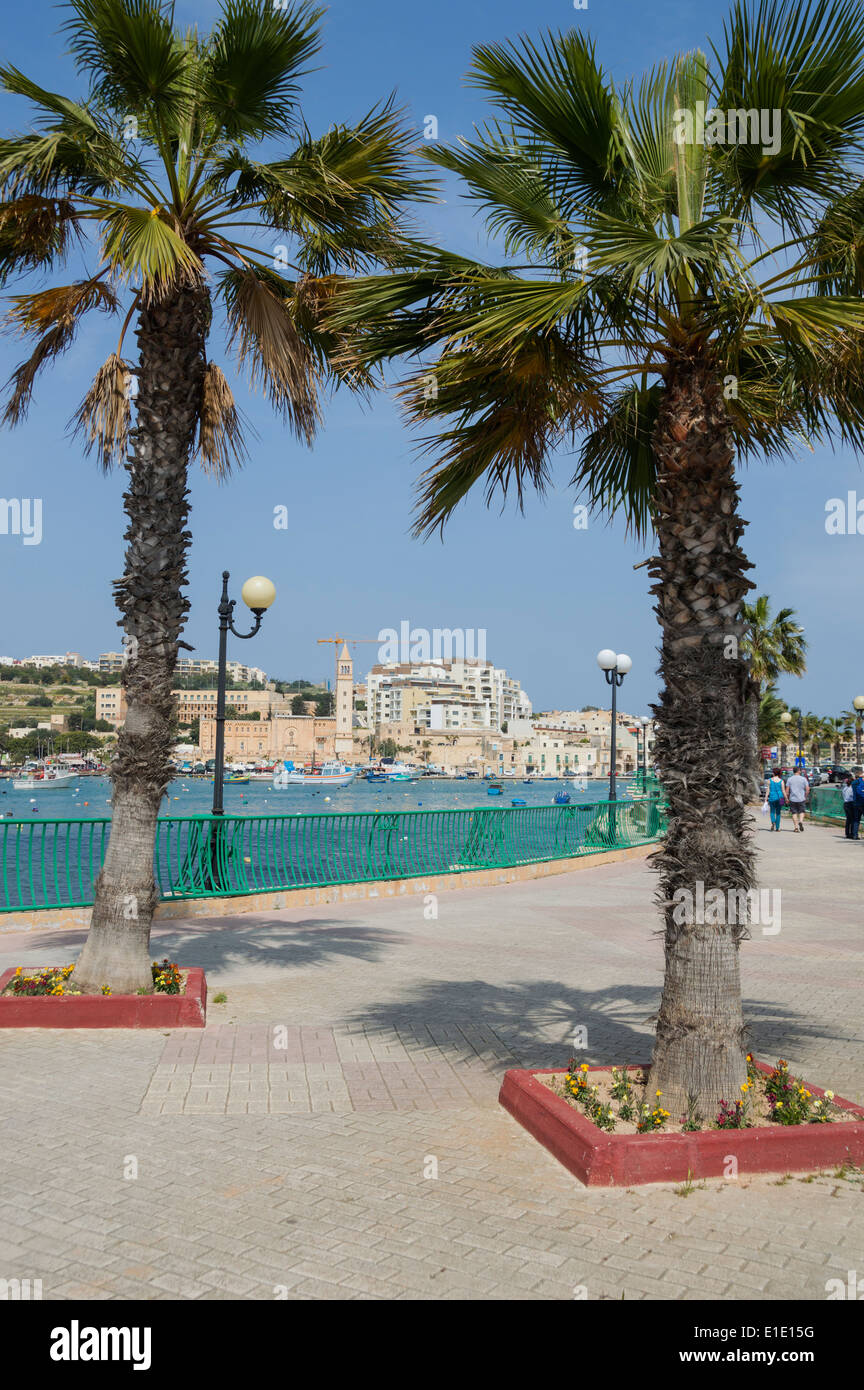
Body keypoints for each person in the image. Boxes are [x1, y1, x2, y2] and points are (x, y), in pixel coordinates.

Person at [785, 766, 809, 832]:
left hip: (792, 799)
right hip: (801, 798)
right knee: (802, 811)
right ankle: (800, 821)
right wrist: (805, 797)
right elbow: (807, 790)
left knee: (794, 813)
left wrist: (786, 798)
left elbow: (787, 790)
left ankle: (796, 827)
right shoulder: (804, 779)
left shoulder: (789, 779)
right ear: (799, 771)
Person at [842, 774, 859, 840]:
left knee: (848, 819)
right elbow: (853, 796)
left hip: (845, 803)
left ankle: (847, 833)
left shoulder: (845, 788)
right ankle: (852, 833)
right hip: (851, 804)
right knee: (853, 819)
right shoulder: (852, 788)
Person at [851, 769, 864, 841]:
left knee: (856, 820)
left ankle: (855, 834)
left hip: (855, 803)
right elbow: (861, 791)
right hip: (862, 802)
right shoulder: (861, 782)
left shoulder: (853, 782)